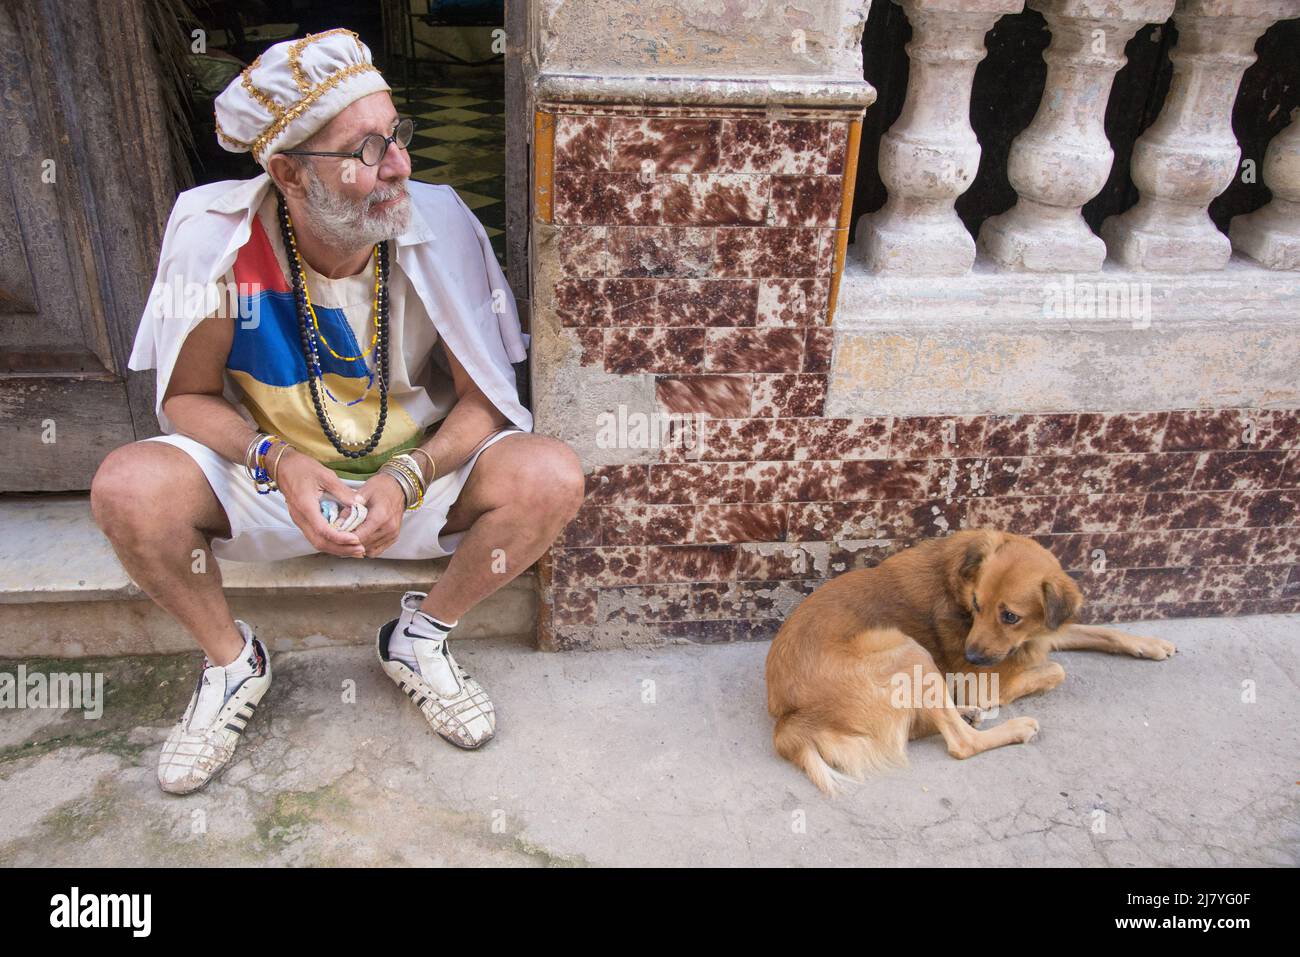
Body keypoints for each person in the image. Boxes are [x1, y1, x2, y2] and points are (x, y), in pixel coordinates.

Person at [90, 29, 585, 795]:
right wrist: (279, 462)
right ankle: (232, 664)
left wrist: (407, 476)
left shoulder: (439, 222)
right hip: (269, 481)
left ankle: (420, 639)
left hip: (409, 482)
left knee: (550, 475)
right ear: (287, 171)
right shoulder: (219, 239)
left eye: (398, 136)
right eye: (365, 150)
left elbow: (487, 401)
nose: (399, 166)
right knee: (127, 486)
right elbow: (185, 398)